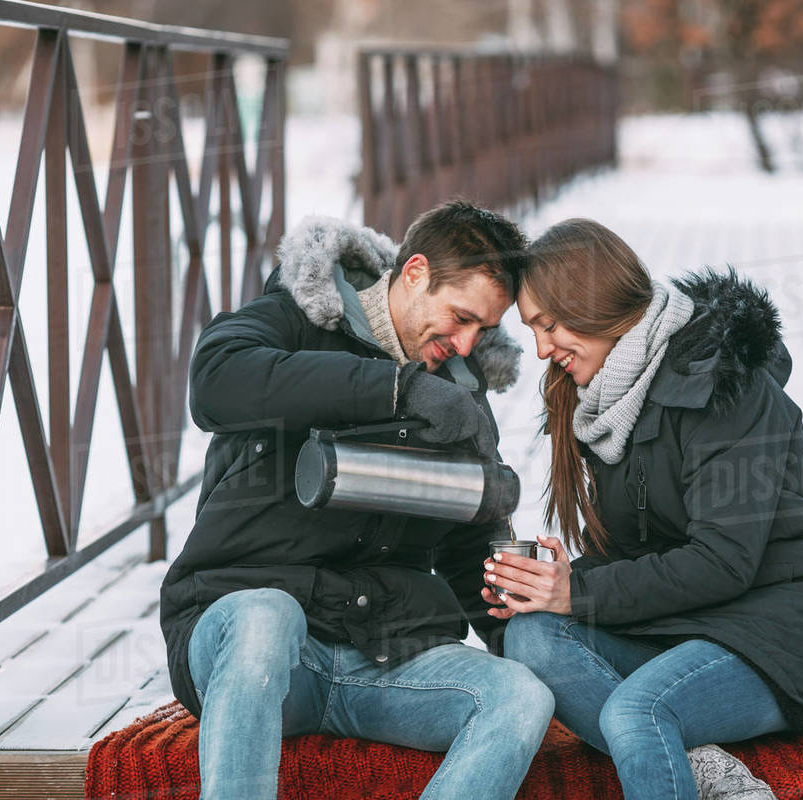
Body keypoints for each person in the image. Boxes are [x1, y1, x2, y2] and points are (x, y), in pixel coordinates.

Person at [160, 201, 555, 800]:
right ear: (415, 272)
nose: (468, 342)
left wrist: (526, 631)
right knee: (267, 615)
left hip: (383, 654)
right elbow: (214, 380)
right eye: (461, 317)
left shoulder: (460, 389)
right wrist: (397, 389)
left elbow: (468, 540)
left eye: (484, 329)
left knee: (521, 696)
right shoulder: (297, 318)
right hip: (247, 643)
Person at [483, 219, 803, 800]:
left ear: (594, 302)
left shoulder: (723, 386)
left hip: (787, 627)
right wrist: (560, 580)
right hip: (690, 624)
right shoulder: (605, 401)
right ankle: (703, 769)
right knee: (533, 636)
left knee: (636, 714)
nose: (542, 349)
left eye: (550, 324)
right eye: (533, 330)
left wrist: (579, 593)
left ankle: (678, 758)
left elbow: (723, 560)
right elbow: (645, 555)